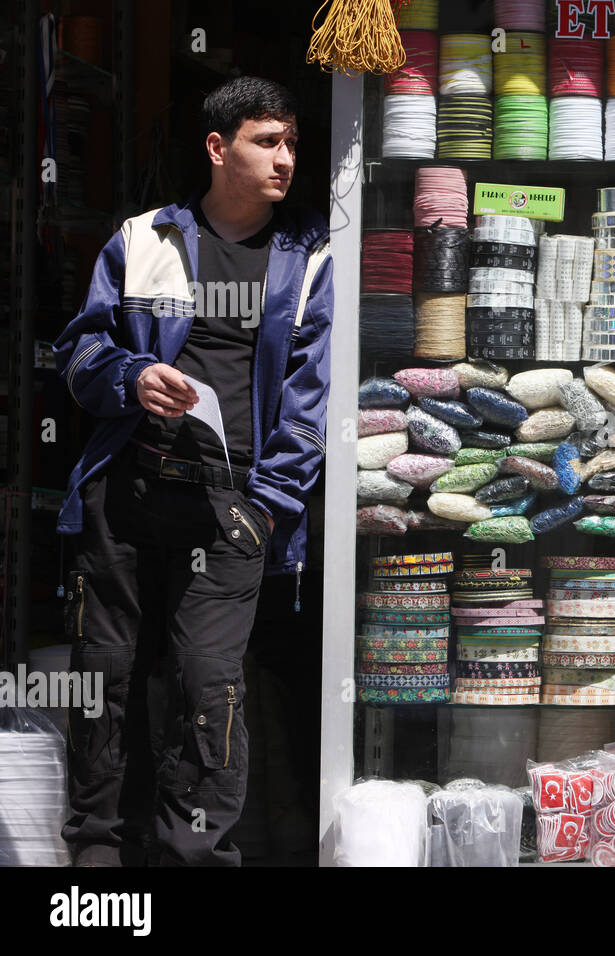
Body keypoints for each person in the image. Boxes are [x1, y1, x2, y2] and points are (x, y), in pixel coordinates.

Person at [52, 75, 333, 866]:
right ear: (218, 148)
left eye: (291, 144)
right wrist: (131, 378)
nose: (284, 159)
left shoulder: (306, 261)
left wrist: (268, 506)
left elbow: (309, 408)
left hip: (231, 507)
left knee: (210, 691)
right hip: (128, 492)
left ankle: (196, 857)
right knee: (103, 682)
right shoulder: (145, 239)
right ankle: (99, 860)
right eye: (266, 141)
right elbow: (79, 354)